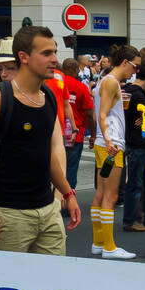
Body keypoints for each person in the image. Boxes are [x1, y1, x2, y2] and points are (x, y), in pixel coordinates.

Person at [0, 25, 80, 256]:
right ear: (23, 57)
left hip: (48, 211)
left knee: (53, 285)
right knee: (10, 287)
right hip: (9, 214)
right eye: (46, 53)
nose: (55, 59)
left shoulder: (48, 98)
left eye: (55, 52)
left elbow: (44, 155)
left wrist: (68, 193)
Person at [92, 44, 140, 259]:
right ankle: (109, 247)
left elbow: (102, 114)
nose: (135, 71)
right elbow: (102, 115)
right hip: (111, 143)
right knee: (110, 196)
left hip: (104, 143)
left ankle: (99, 242)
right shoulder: (111, 82)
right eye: (135, 66)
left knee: (102, 194)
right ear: (125, 62)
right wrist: (110, 139)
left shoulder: (106, 81)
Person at [120, 61, 145, 234]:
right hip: (139, 143)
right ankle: (130, 220)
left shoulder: (127, 90)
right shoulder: (138, 94)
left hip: (135, 142)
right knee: (136, 183)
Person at [60, 57, 95, 190]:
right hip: (76, 135)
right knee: (71, 171)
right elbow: (90, 114)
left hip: (57, 134)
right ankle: (68, 205)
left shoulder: (56, 84)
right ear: (76, 70)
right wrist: (92, 135)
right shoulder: (81, 87)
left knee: (57, 170)